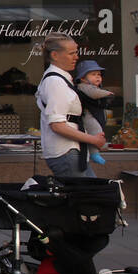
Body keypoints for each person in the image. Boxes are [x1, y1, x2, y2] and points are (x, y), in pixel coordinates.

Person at [36, 34, 105, 178]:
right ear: (55, 55)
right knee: (86, 197)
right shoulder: (55, 82)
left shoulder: (61, 79)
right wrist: (93, 140)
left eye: (76, 52)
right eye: (71, 53)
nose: (76, 57)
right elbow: (57, 125)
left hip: (72, 152)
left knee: (91, 196)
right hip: (65, 152)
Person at [73, 59, 112, 168]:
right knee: (95, 130)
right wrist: (108, 93)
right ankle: (95, 153)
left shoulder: (94, 87)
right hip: (87, 115)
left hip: (94, 114)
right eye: (93, 74)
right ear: (83, 78)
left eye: (99, 74)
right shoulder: (84, 86)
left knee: (97, 129)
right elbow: (94, 94)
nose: (98, 77)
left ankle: (97, 149)